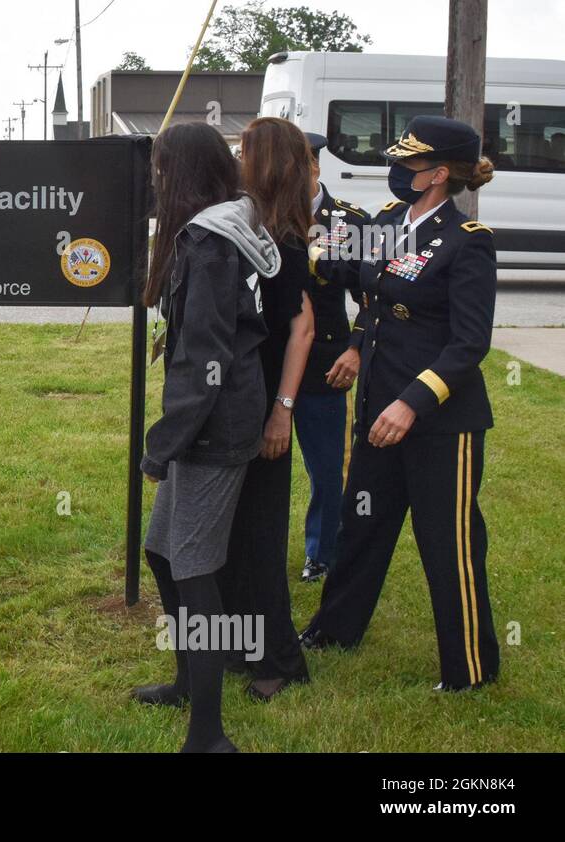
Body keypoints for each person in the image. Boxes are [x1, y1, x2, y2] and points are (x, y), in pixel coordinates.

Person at [301, 115, 500, 691]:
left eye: (408, 163)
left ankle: (470, 669)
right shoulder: (388, 222)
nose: (395, 171)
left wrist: (413, 403)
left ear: (438, 175)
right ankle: (334, 629)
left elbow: (470, 345)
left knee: (448, 540)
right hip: (378, 407)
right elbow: (372, 294)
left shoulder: (469, 244)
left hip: (439, 419)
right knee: (362, 523)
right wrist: (359, 344)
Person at [134, 122, 277, 752]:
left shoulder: (212, 242)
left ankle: (210, 735)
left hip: (214, 429)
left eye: (163, 168)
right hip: (211, 421)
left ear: (183, 173)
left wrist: (164, 442)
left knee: (194, 573)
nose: (156, 179)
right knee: (162, 554)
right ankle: (188, 685)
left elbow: (205, 359)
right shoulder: (219, 226)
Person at [216, 116, 315, 701]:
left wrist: (282, 411)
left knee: (259, 535)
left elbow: (300, 331)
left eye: (244, 149)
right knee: (230, 534)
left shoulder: (288, 238)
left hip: (267, 401)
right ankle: (235, 646)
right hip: (241, 396)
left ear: (266, 160)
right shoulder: (249, 223)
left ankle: (279, 661)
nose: (236, 156)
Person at [294, 132, 373, 583]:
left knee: (325, 465)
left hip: (325, 357)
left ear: (314, 169)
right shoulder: (259, 214)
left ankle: (321, 553)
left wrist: (356, 349)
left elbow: (371, 297)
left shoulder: (349, 222)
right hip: (265, 358)